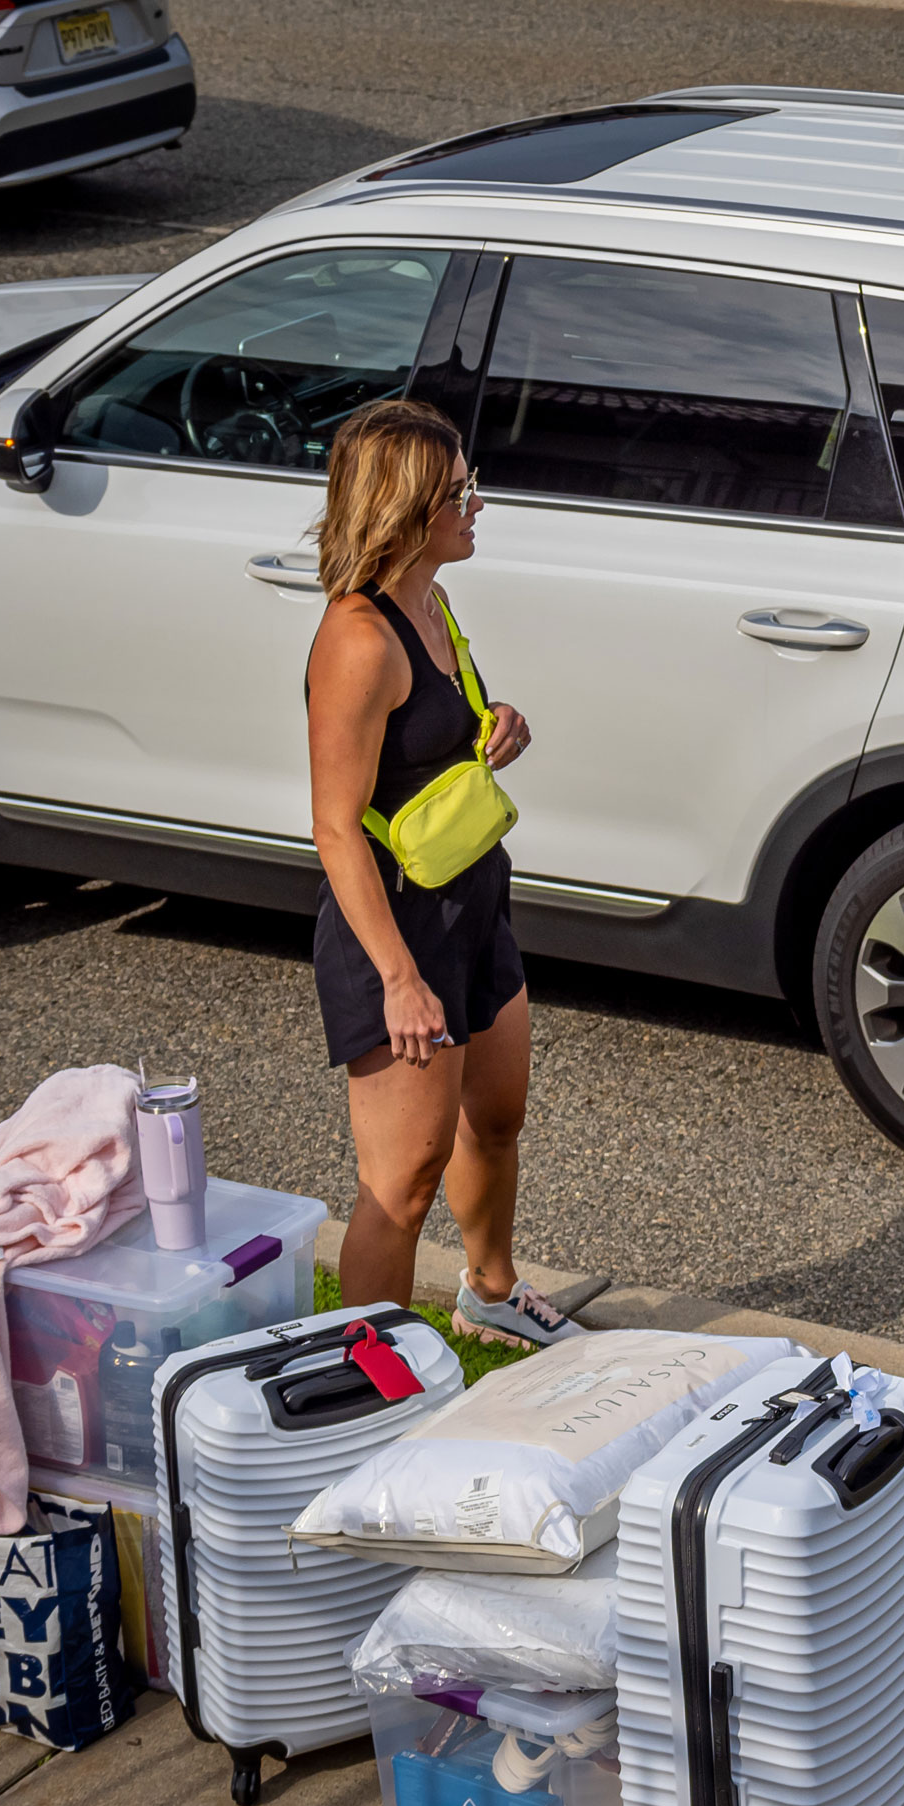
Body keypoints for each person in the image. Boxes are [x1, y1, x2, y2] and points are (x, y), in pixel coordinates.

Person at [305, 399, 579, 1346]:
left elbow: (428, 740)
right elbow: (336, 830)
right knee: (401, 1181)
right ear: (407, 506)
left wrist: (494, 720)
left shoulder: (433, 600)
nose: (477, 505)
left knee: (496, 1117)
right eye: (461, 490)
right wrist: (399, 978)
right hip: (397, 929)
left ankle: (491, 1297)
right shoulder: (357, 640)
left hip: (473, 898)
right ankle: (364, 1382)